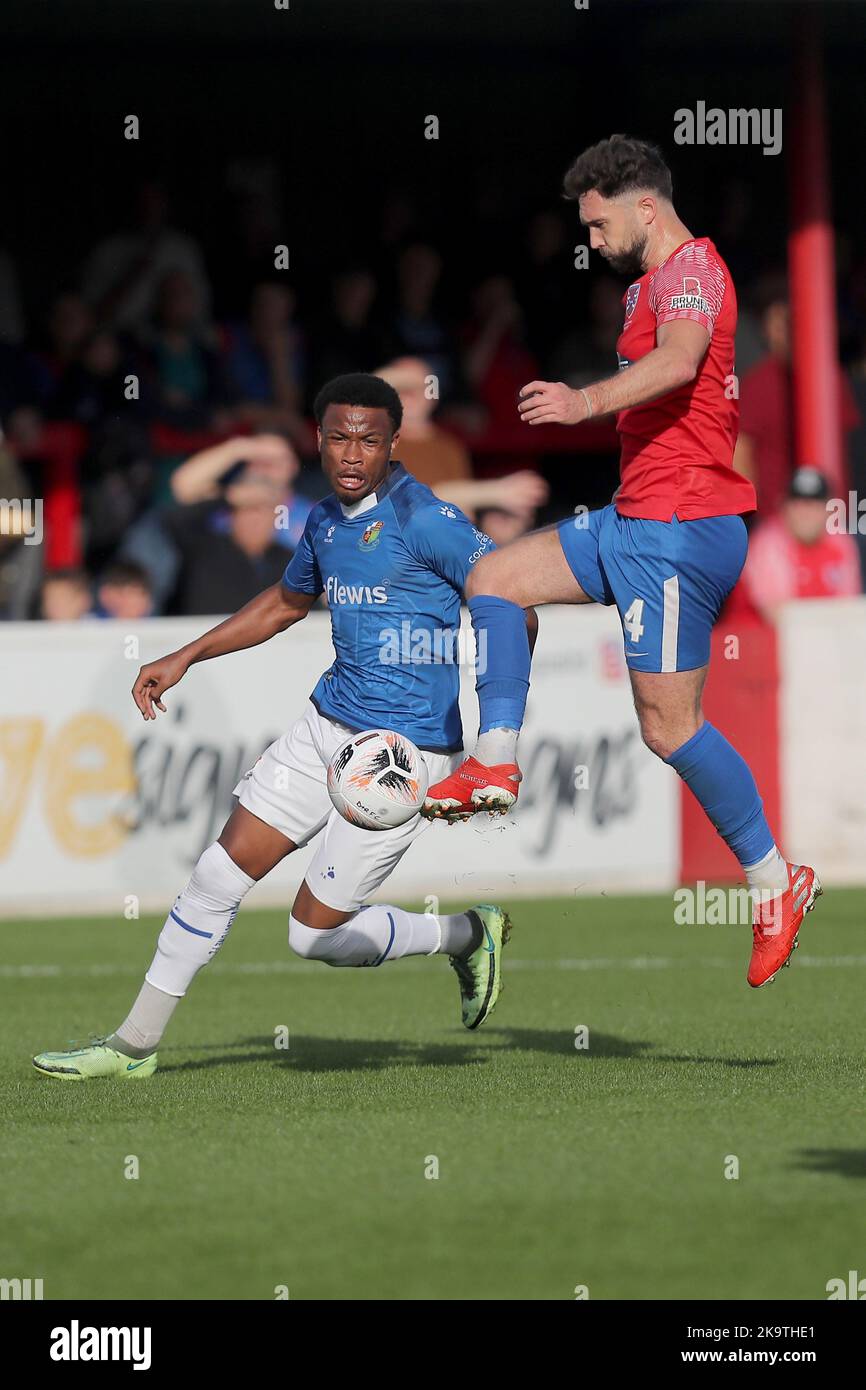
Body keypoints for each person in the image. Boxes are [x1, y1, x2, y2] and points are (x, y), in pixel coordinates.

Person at [32, 373, 533, 1081]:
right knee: (213, 876)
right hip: (326, 727)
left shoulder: (428, 521)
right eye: (338, 438)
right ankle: (132, 1047)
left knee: (310, 935)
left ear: (394, 444)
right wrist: (188, 655)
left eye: (369, 439)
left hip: (399, 755)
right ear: (318, 440)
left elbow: (514, 603)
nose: (352, 453)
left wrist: (495, 737)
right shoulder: (325, 519)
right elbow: (285, 603)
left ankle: (466, 933)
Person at [424, 134, 821, 990]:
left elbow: (679, 365)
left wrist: (582, 401)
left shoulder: (690, 274)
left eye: (599, 224)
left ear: (645, 205)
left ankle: (772, 882)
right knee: (492, 578)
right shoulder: (649, 283)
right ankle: (493, 757)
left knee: (669, 728)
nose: (592, 242)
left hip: (679, 528)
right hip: (634, 518)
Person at [731, 467, 862, 622]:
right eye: (798, 504)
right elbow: (779, 616)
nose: (805, 513)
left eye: (813, 505)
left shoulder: (841, 542)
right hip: (755, 641)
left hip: (815, 639)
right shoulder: (768, 543)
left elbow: (849, 609)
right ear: (784, 507)